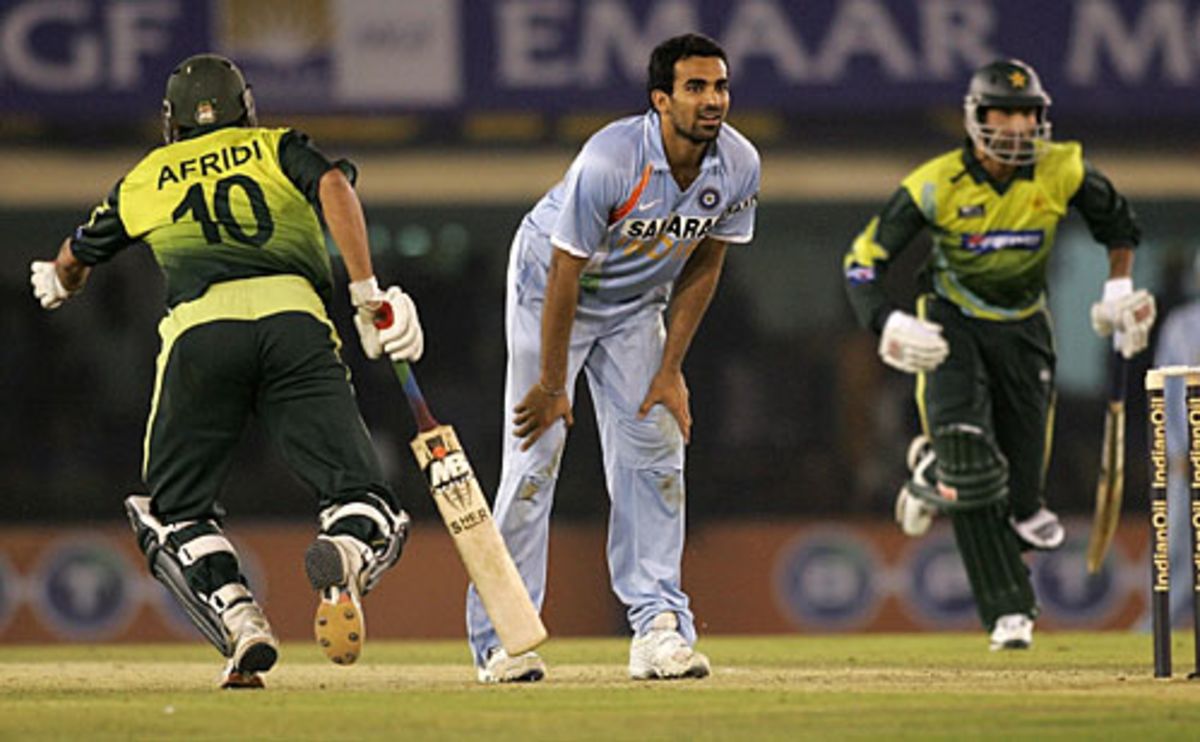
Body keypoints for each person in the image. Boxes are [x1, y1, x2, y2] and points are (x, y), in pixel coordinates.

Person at [28, 53, 424, 688]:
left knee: (175, 512)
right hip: (294, 324)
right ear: (247, 106)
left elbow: (75, 256)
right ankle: (347, 552)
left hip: (199, 336)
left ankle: (240, 619)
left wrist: (58, 279)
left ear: (173, 120)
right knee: (361, 498)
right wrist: (367, 295)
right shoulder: (274, 147)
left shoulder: (147, 175)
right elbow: (334, 187)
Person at [467, 33, 759, 683]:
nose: (713, 100)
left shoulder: (739, 163)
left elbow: (709, 259)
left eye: (720, 86)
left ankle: (658, 628)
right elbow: (567, 270)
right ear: (661, 100)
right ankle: (501, 639)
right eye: (695, 88)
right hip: (549, 290)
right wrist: (550, 384)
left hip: (635, 308)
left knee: (656, 452)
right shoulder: (610, 159)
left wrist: (670, 369)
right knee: (534, 463)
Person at [842, 59, 1155, 650]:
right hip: (951, 324)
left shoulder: (1061, 168)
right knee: (974, 470)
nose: (1016, 128)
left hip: (1024, 327)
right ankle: (1009, 609)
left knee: (1022, 500)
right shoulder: (933, 183)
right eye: (1002, 115)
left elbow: (1120, 225)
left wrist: (1118, 289)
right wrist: (883, 323)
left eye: (1027, 115)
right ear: (976, 119)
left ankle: (936, 472)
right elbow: (862, 261)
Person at [1141, 253, 1200, 629]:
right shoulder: (1183, 323)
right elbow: (1167, 389)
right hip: (1188, 462)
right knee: (1176, 552)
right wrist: (1176, 451)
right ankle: (1153, 629)